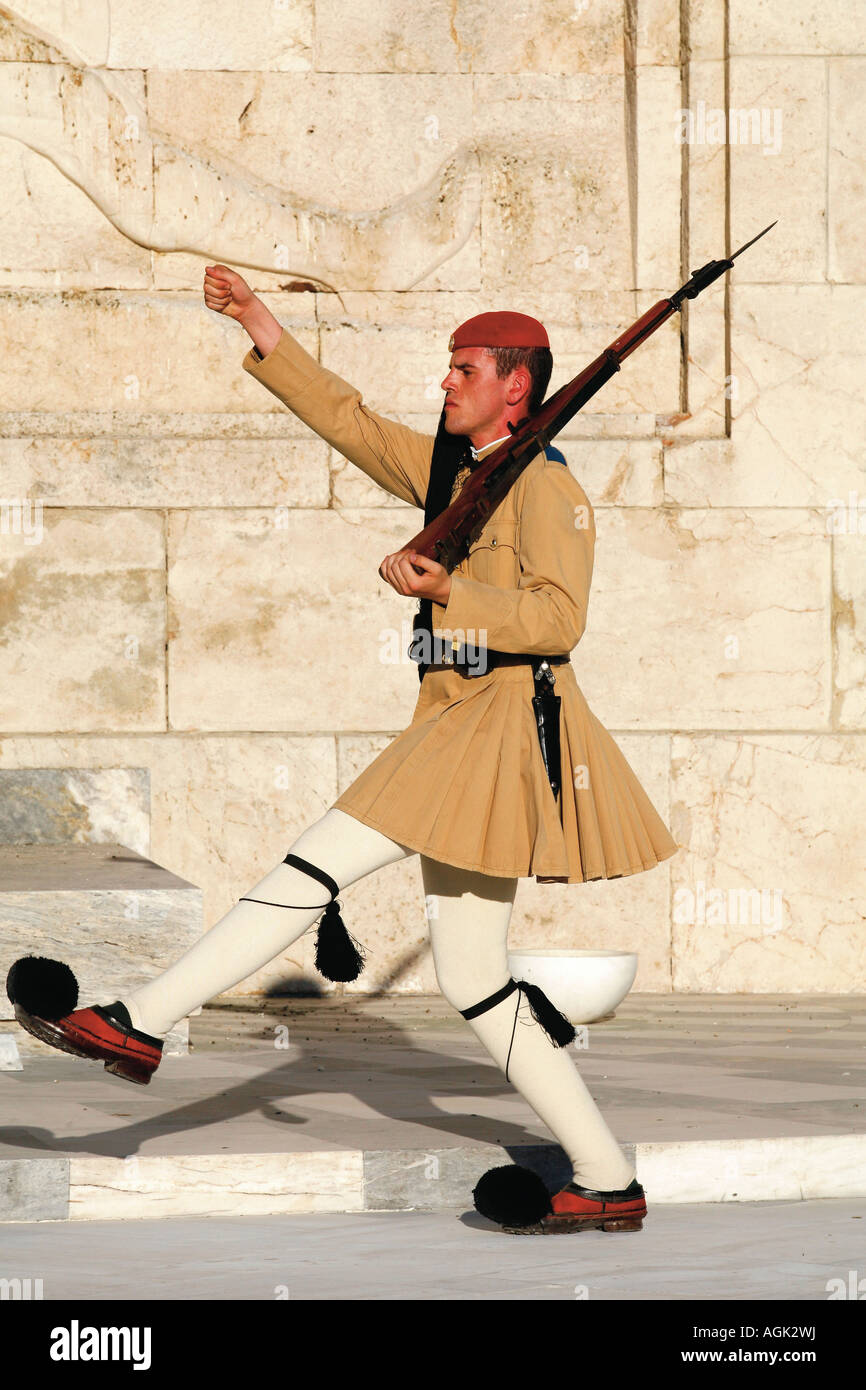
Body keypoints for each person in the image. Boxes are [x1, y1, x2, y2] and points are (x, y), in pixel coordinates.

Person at [9, 266, 680, 1234]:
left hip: (493, 730)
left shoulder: (548, 489)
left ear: (515, 387)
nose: (443, 382)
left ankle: (142, 1021)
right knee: (475, 982)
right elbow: (352, 422)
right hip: (455, 724)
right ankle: (605, 1175)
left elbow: (558, 617)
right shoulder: (462, 472)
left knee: (312, 861)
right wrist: (258, 322)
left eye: (462, 369)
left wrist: (447, 591)